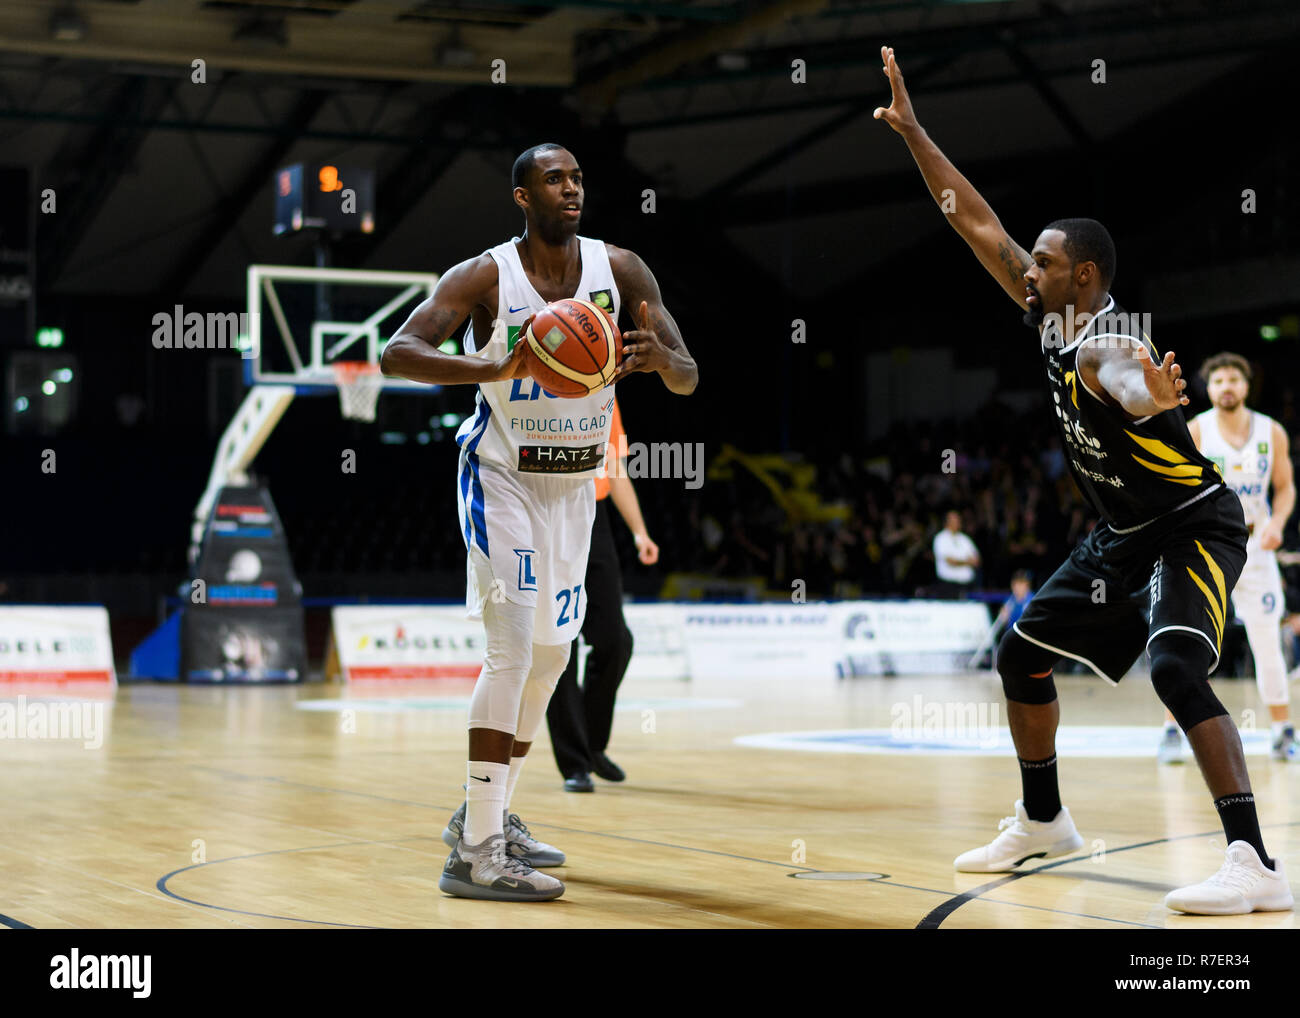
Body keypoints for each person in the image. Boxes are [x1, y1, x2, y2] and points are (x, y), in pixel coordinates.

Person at [874, 45, 1292, 915]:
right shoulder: (1047, 317)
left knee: (1175, 667)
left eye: (1043, 262)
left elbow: (1131, 383)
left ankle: (1252, 860)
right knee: (1019, 655)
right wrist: (914, 133)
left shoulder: (1110, 344)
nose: (1026, 269)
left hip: (1192, 524)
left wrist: (1153, 399)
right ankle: (1044, 821)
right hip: (1123, 534)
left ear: (1085, 276)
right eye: (1030, 262)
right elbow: (975, 222)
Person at [381, 143, 697, 902]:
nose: (571, 189)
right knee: (513, 650)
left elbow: (689, 376)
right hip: (503, 479)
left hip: (574, 490)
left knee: (553, 658)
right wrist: (492, 367)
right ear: (523, 196)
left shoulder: (621, 270)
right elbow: (398, 353)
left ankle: (485, 815)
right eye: (554, 180)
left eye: (577, 178)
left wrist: (661, 361)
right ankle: (476, 856)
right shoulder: (487, 275)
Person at [1158, 353, 1296, 763]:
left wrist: (1278, 523)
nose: (1227, 387)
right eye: (1218, 381)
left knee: (1267, 640)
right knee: (1188, 639)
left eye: (1234, 379)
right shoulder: (1197, 429)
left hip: (1256, 547)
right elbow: (1175, 488)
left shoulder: (1272, 431)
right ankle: (1172, 730)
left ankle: (1282, 731)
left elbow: (1285, 487)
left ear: (1246, 385)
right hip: (1208, 545)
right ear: (1210, 389)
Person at [546, 397, 659, 792]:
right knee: (560, 643)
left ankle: (592, 744)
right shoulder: (535, 383)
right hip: (546, 513)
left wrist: (639, 532)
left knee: (616, 641)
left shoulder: (605, 392)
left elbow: (614, 467)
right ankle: (574, 762)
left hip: (594, 519)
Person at [932, 509, 980, 598]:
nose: (957, 522)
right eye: (953, 520)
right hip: (948, 587)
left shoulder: (965, 539)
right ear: (946, 522)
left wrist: (960, 562)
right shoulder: (940, 538)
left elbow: (976, 561)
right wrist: (968, 562)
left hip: (967, 585)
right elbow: (950, 562)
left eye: (958, 519)